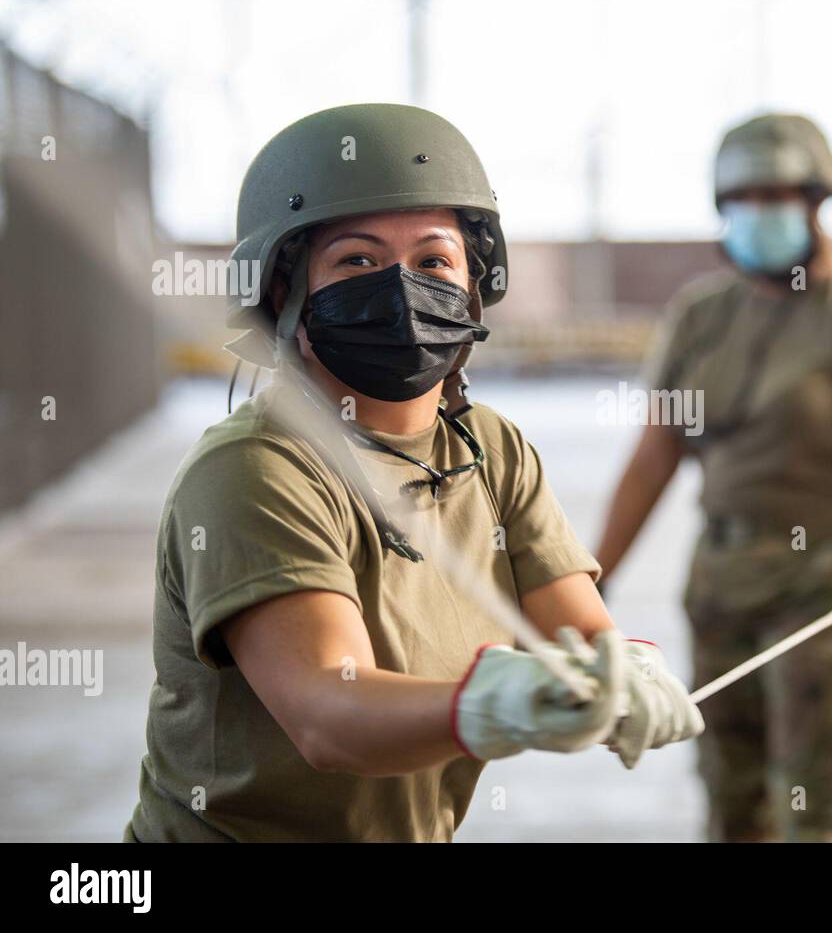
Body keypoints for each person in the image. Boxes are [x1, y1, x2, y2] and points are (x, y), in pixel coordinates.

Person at [126, 103, 702, 842]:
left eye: (433, 260)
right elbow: (330, 717)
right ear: (283, 292)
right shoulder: (257, 469)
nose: (400, 288)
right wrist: (486, 702)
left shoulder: (491, 450)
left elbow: (581, 635)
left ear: (471, 288)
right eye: (357, 261)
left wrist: (625, 668)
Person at [595, 113, 832, 842]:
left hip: (830, 593)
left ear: (816, 202)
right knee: (734, 800)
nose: (760, 213)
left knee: (831, 805)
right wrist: (591, 582)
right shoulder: (701, 317)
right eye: (744, 198)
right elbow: (652, 459)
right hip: (723, 584)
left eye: (778, 196)